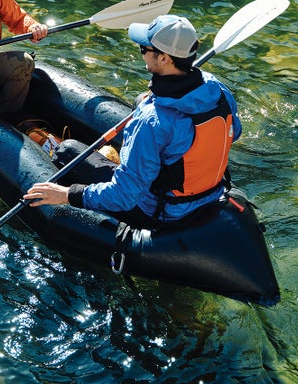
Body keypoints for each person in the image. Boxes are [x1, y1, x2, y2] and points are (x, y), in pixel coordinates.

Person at [24, 14, 241, 227]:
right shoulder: (217, 89)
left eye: (144, 49)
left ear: (164, 58)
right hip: (209, 193)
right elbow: (234, 132)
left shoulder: (152, 120)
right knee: (141, 101)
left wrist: (67, 194)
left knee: (67, 150)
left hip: (162, 210)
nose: (142, 53)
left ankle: (37, 135)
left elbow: (124, 197)